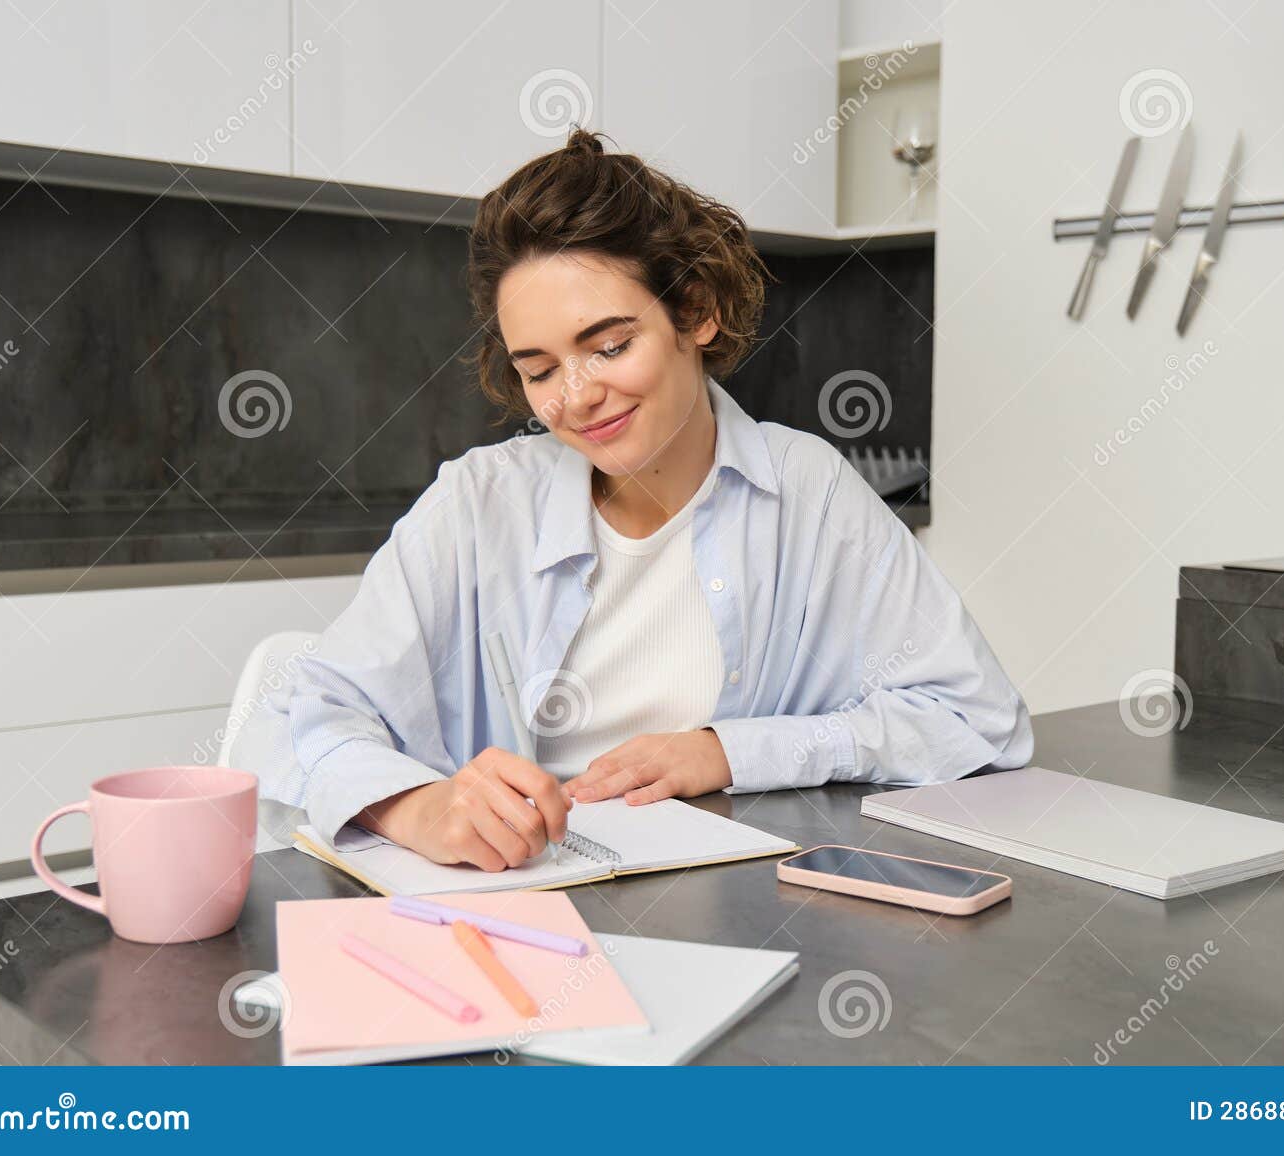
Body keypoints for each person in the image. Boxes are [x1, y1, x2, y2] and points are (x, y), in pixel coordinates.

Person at [275, 127, 1032, 871]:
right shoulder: (479, 505)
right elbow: (310, 714)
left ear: (695, 311)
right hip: (525, 904)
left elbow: (975, 718)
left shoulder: (808, 492)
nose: (576, 397)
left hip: (745, 904)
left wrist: (727, 752)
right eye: (540, 371)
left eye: (609, 346)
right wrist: (417, 809)